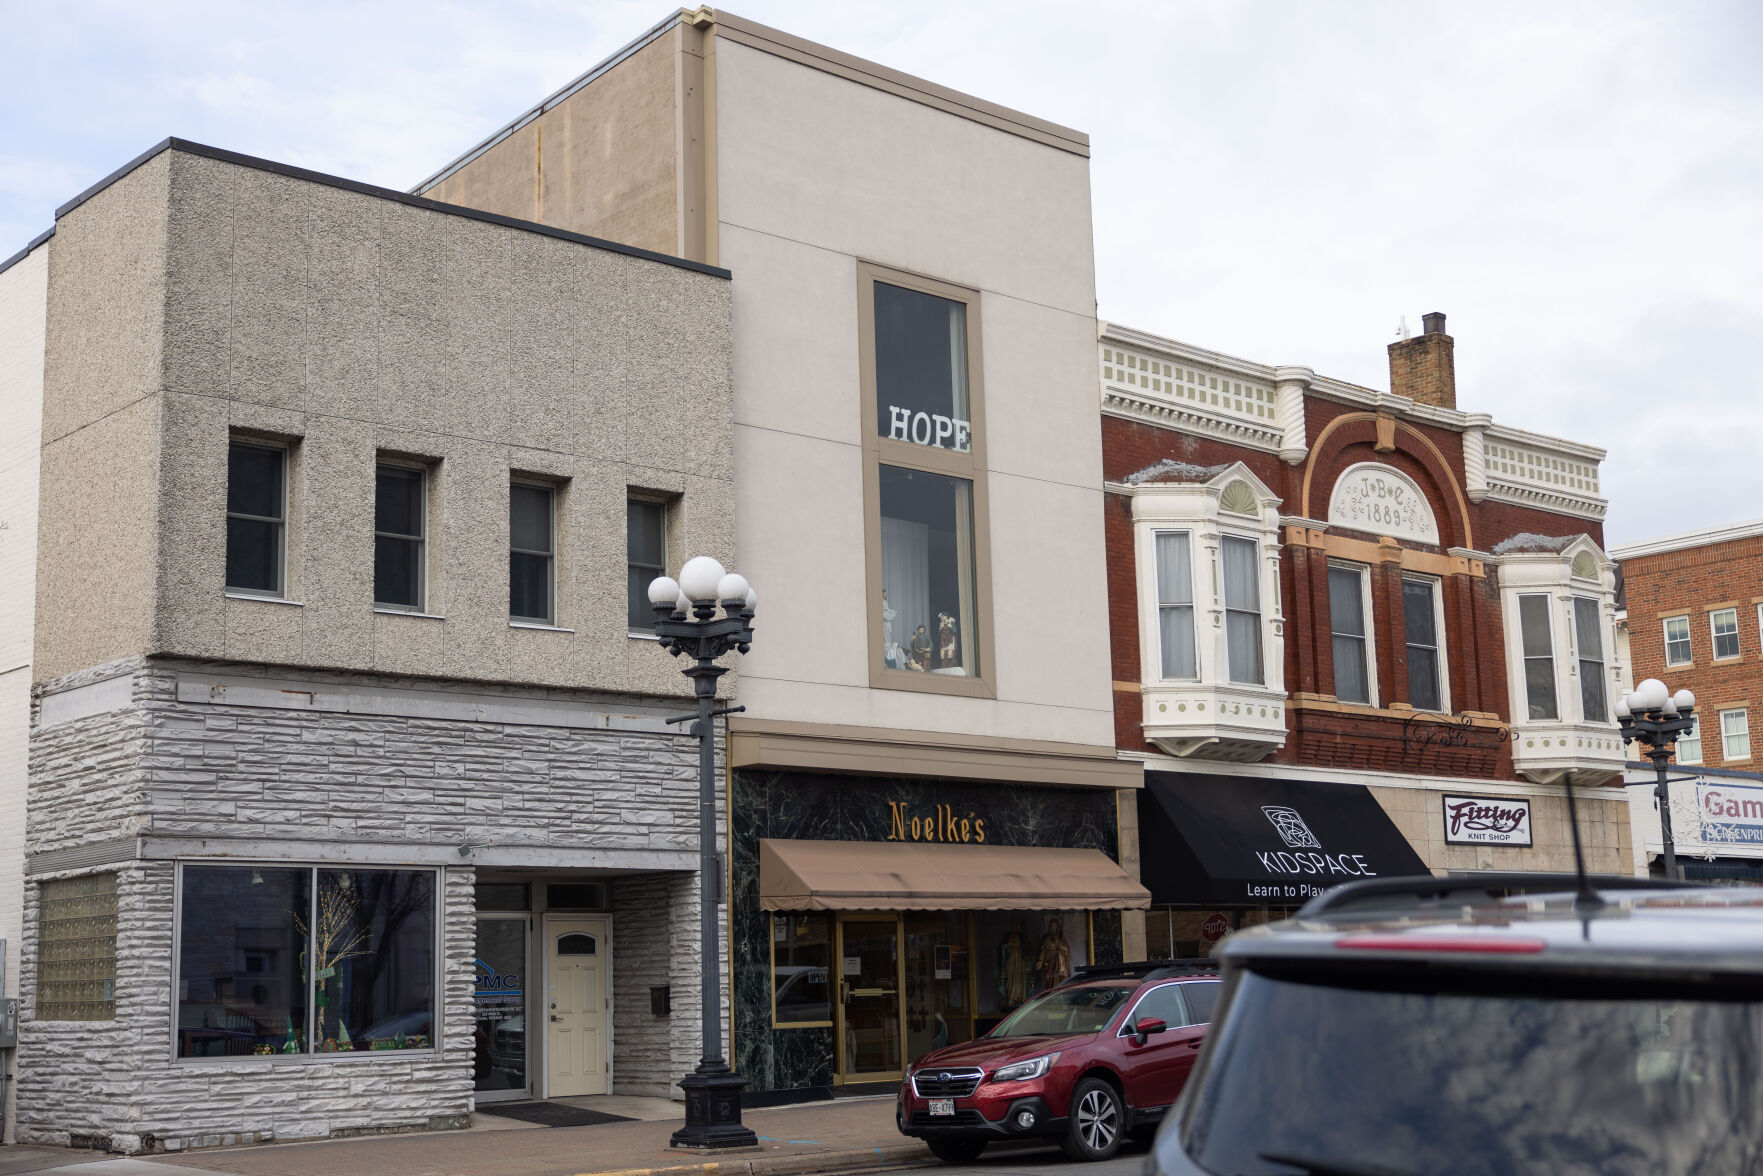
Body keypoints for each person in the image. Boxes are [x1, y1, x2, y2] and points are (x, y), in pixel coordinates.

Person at [1036, 916, 1071, 991]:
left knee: (1060, 983)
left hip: (1060, 966)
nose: (1052, 927)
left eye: (1054, 925)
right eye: (1051, 925)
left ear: (1057, 927)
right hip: (1049, 965)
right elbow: (1042, 951)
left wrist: (1062, 948)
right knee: (1049, 984)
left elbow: (1067, 951)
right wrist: (1040, 961)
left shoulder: (1061, 938)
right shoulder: (1046, 938)